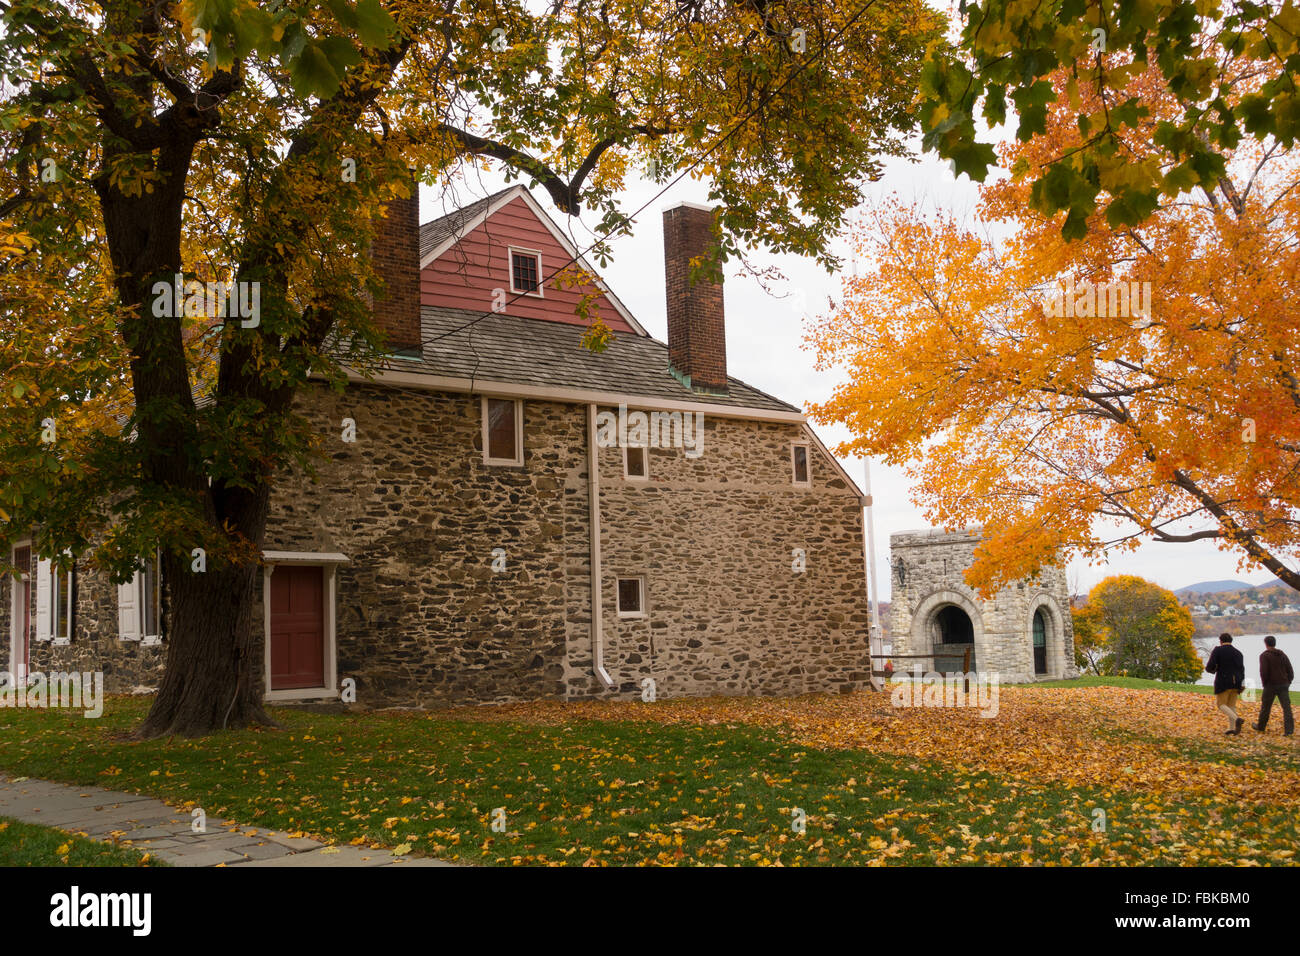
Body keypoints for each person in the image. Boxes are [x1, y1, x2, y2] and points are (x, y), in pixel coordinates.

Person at [1252, 635, 1294, 736]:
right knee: (1286, 708)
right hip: (1283, 684)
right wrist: (1288, 681)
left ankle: (1261, 727)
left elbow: (1264, 672)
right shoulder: (1282, 654)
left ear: (1266, 644)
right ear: (1274, 643)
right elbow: (1290, 669)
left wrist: (1265, 683)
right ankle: (1289, 730)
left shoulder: (1264, 655)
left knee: (1265, 707)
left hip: (1270, 685)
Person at [1205, 632, 1246, 735]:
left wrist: (1213, 670)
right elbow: (1242, 669)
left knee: (1221, 704)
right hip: (1237, 682)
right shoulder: (1238, 653)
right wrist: (1242, 683)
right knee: (1231, 705)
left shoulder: (1218, 650)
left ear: (1221, 641)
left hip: (1224, 681)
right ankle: (1232, 729)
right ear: (1231, 641)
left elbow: (1210, 666)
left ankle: (1237, 719)